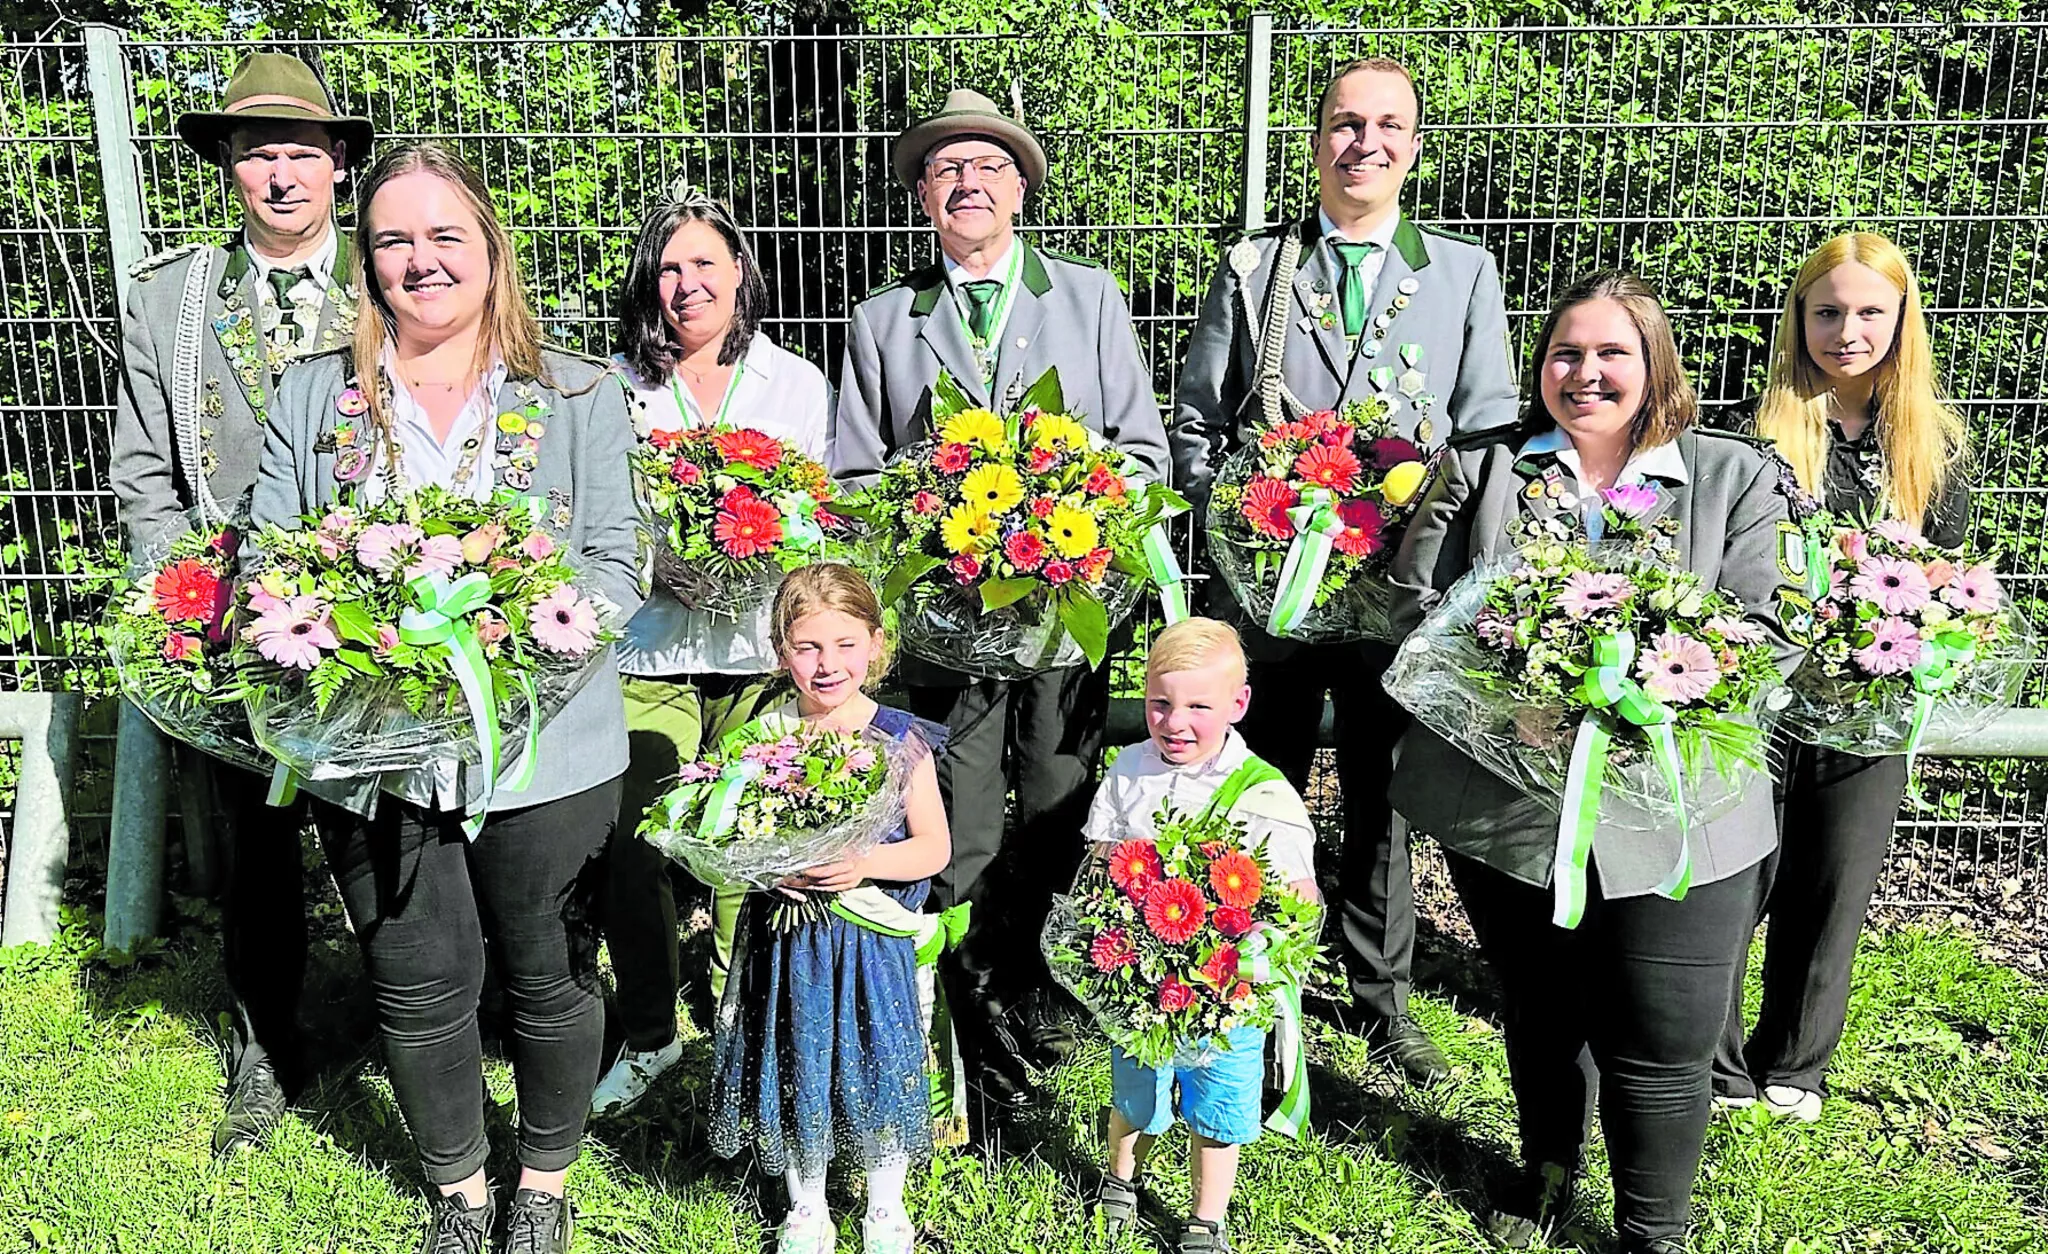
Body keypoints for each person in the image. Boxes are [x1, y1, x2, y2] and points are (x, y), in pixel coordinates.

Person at [252, 142, 641, 1254]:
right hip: (368, 748)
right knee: (417, 976)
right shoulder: (316, 392)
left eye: (442, 236)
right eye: (392, 241)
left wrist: (520, 643)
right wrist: (343, 643)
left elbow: (614, 559)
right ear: (368, 262)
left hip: (542, 740)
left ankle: (547, 1183)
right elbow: (269, 551)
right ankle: (460, 1194)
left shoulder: (575, 391)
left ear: (489, 252)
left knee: (550, 970)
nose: (418, 261)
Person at [1387, 273, 1806, 1253]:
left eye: (1608, 354)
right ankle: (1543, 1168)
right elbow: (1410, 600)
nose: (1582, 373)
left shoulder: (1734, 474)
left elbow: (1772, 623)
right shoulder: (1483, 468)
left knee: (1661, 1030)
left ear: (1652, 365)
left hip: (1681, 807)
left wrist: (1670, 685)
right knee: (1539, 1004)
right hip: (1509, 803)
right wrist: (1505, 692)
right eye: (1563, 354)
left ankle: (1650, 1229)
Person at [1171, 56, 1519, 1085]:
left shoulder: (1463, 272)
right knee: (1256, 789)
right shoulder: (1253, 268)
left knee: (1382, 798)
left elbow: (1490, 433)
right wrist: (1245, 516)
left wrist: (1424, 524)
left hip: (1396, 598)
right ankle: (1243, 979)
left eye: (1386, 126)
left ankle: (1380, 999)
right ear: (1314, 138)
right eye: (1342, 123)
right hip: (1268, 595)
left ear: (1413, 146)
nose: (1363, 143)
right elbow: (1194, 426)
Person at [830, 87, 1171, 1104]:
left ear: (1019, 188)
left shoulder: (1090, 298)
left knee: (1063, 799)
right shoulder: (885, 320)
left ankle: (1053, 983)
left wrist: (1083, 522)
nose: (967, 185)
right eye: (944, 171)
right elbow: (854, 481)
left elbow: (1146, 453)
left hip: (1069, 622)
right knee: (965, 816)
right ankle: (969, 1003)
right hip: (947, 636)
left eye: (986, 169)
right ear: (921, 198)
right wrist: (935, 536)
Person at [109, 50, 373, 1155]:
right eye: (259, 153)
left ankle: (416, 1021)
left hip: (373, 620)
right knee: (255, 851)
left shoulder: (396, 270)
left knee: (385, 836)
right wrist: (194, 598)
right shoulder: (171, 299)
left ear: (337, 169)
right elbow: (142, 472)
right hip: (224, 628)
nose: (279, 176)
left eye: (300, 155)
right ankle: (269, 1045)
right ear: (227, 165)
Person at [1712, 232, 1972, 1123]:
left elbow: (1942, 577)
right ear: (1797, 319)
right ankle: (1708, 1055)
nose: (1847, 330)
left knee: (1835, 881)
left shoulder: (1936, 450)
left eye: (1869, 312)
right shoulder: (1757, 436)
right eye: (1827, 312)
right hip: (1761, 696)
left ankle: (1792, 1063)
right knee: (1735, 874)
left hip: (1871, 699)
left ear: (1902, 321)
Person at [590, 188, 832, 1118]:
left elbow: (814, 515)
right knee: (634, 844)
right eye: (669, 268)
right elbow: (597, 521)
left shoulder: (795, 384)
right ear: (650, 286)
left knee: (751, 843)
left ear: (740, 275)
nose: (687, 284)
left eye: (706, 265)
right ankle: (651, 1030)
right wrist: (662, 563)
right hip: (649, 649)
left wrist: (760, 562)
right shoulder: (614, 388)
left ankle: (739, 1017)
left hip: (755, 650)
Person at [709, 562, 953, 1254]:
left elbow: (933, 848)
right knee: (797, 1061)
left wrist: (865, 862)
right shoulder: (765, 737)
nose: (827, 665)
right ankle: (807, 1204)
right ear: (781, 650)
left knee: (877, 1064)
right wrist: (764, 866)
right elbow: (729, 834)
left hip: (872, 946)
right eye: (808, 647)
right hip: (791, 949)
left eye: (845, 645)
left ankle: (884, 1207)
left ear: (876, 645)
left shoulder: (899, 739)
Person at [1082, 618, 1319, 1254]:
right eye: (1160, 703)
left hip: (1226, 989)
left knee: (1220, 1101)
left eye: (1197, 707)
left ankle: (1205, 1218)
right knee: (1136, 1091)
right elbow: (1102, 858)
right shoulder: (1130, 769)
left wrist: (1262, 949)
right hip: (1142, 980)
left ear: (1238, 705)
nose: (1174, 722)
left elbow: (1300, 899)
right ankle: (1121, 1176)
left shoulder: (1263, 792)